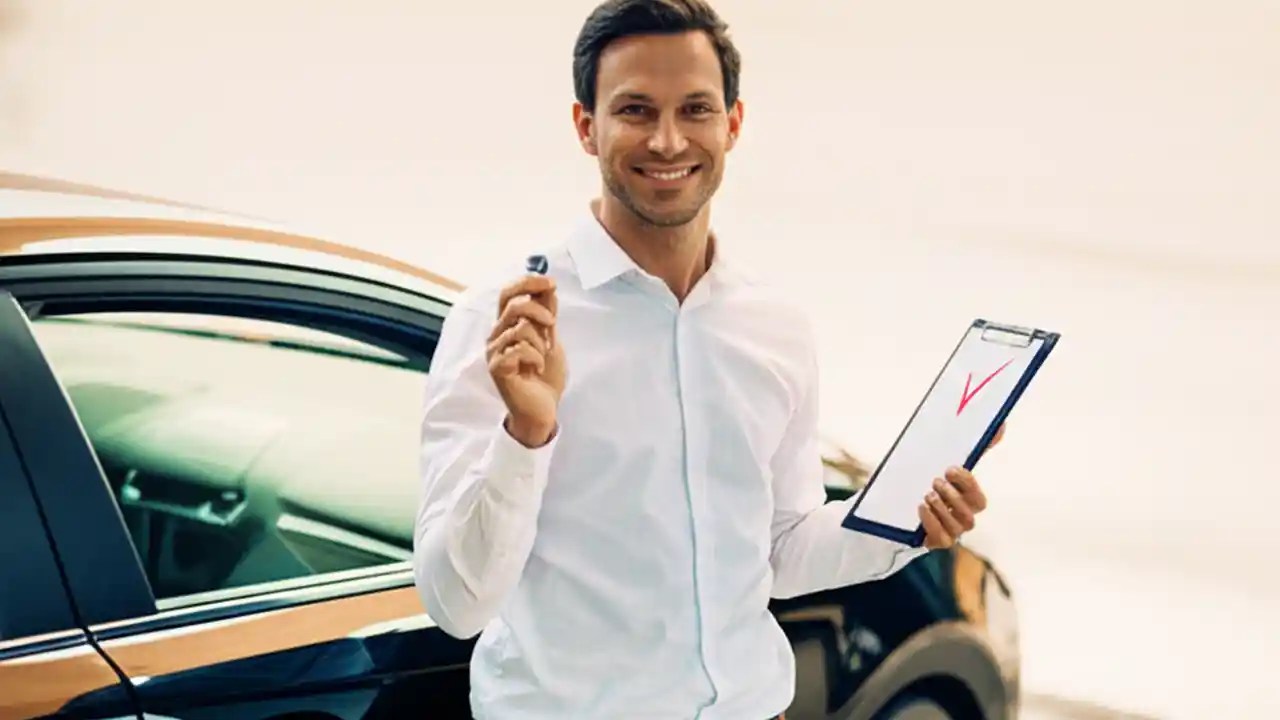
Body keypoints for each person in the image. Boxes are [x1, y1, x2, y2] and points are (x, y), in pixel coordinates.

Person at [413, 1, 997, 718]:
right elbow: (457, 604)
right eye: (635, 110)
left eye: (695, 109)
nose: (666, 141)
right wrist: (526, 436)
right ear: (585, 127)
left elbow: (781, 551)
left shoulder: (774, 327)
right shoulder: (503, 324)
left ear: (733, 124)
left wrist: (908, 517)